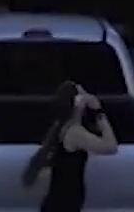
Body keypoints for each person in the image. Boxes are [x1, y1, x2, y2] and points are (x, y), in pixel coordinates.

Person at [22, 79, 119, 210]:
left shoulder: (63, 126)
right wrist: (99, 112)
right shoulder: (75, 133)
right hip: (64, 205)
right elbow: (110, 146)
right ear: (77, 102)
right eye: (83, 93)